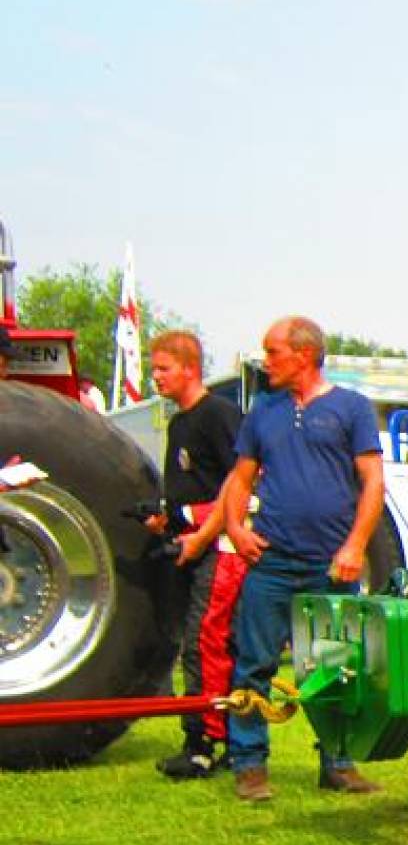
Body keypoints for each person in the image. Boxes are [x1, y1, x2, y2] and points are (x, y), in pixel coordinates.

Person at [221, 316, 386, 800]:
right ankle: (249, 767)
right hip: (271, 561)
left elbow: (373, 482)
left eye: (272, 352)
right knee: (253, 664)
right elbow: (240, 477)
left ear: (304, 355)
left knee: (334, 665)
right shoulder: (262, 411)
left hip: (330, 564)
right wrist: (235, 528)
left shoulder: (351, 408)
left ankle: (337, 763)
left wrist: (355, 545)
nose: (264, 361)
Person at [145, 330, 249, 778]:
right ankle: (209, 736)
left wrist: (202, 536)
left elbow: (238, 483)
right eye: (153, 370)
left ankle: (208, 742)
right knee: (196, 642)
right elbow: (192, 485)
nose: (156, 379)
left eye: (163, 369)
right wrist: (166, 520)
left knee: (207, 641)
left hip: (220, 548)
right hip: (190, 542)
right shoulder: (177, 423)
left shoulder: (219, 415)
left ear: (190, 368)